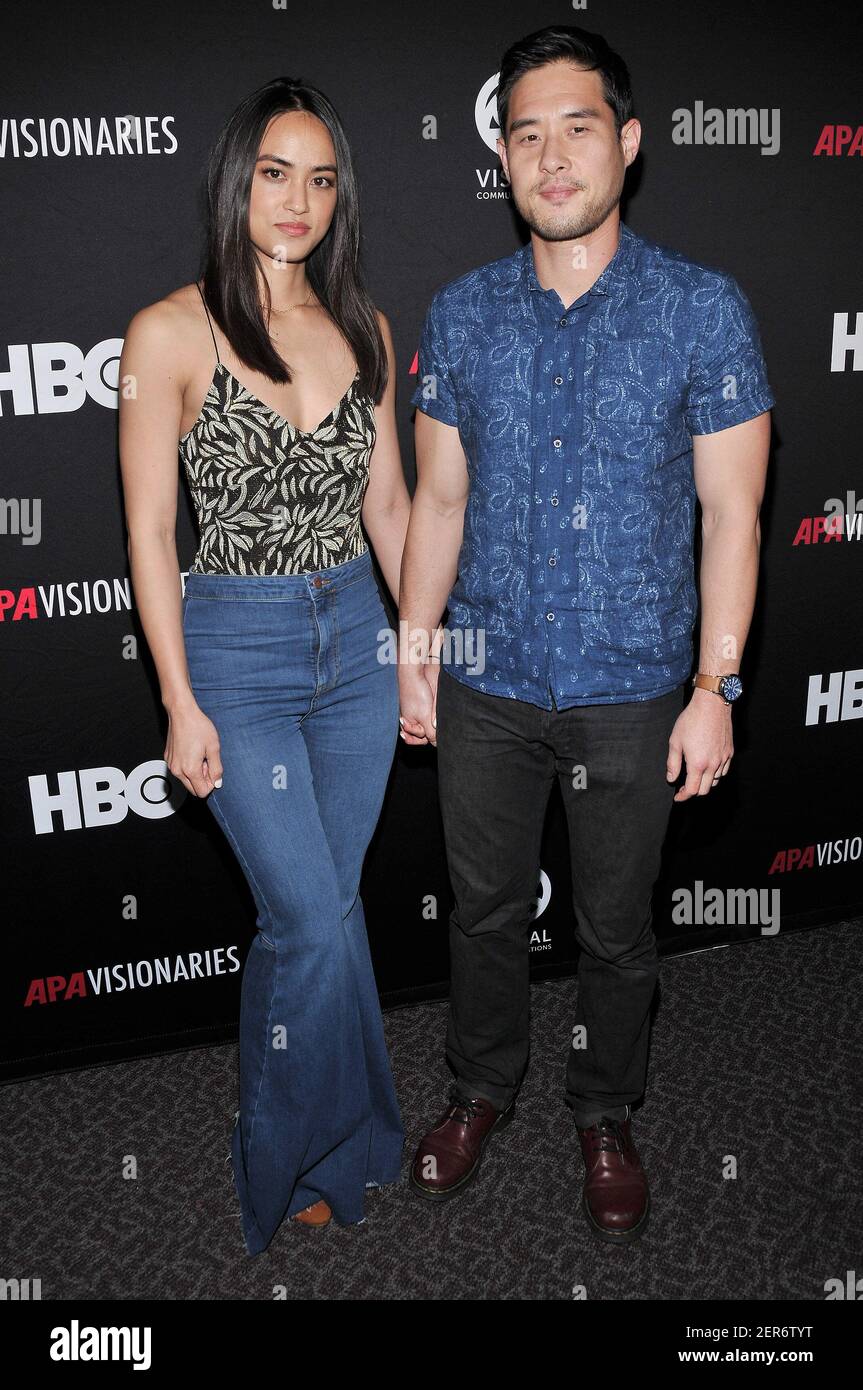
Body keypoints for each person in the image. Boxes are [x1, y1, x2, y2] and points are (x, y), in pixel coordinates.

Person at [398, 24, 774, 1243]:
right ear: (500, 155)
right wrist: (417, 645)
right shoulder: (459, 315)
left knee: (616, 929)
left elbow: (732, 511)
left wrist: (714, 684)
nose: (549, 157)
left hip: (629, 688)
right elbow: (439, 501)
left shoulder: (701, 310)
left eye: (574, 128)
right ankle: (477, 1088)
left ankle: (605, 1110)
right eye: (523, 133)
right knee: (482, 911)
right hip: (488, 679)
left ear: (624, 141)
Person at [118, 77, 411, 1256]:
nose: (299, 200)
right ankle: (293, 1155)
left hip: (358, 644)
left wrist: (422, 649)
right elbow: (147, 532)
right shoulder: (168, 331)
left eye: (322, 177)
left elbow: (387, 502)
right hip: (234, 647)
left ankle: (335, 1154)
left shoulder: (366, 328)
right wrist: (178, 699)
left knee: (316, 920)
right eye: (277, 172)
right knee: (307, 916)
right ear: (237, 178)